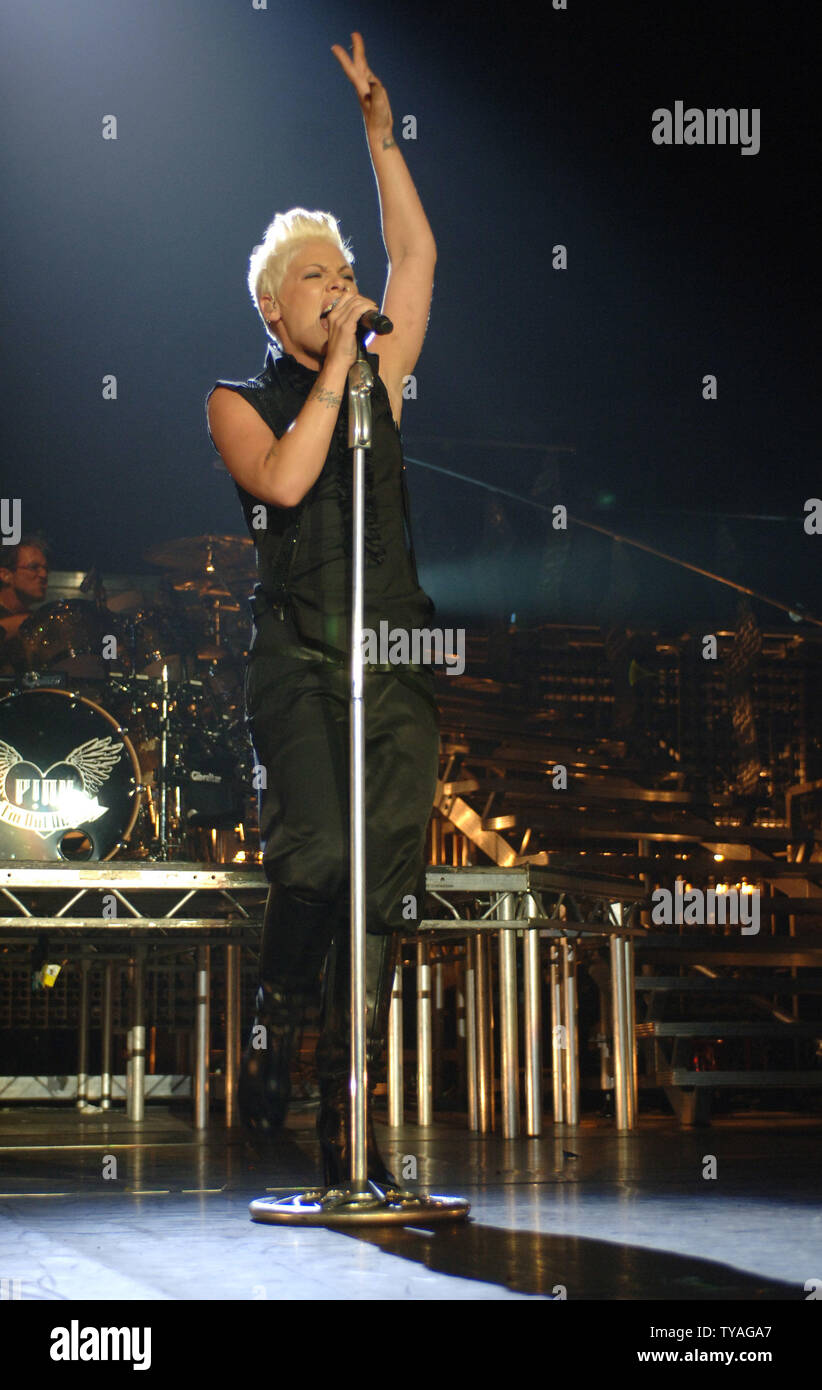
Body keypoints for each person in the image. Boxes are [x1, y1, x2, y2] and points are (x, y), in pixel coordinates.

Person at [206, 34, 439, 1186]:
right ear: (269, 302)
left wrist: (381, 141)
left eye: (341, 273)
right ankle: (275, 1020)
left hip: (390, 655)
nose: (341, 285)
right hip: (298, 661)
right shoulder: (238, 400)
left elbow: (418, 253)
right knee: (316, 858)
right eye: (315, 273)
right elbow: (288, 482)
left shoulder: (380, 380)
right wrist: (342, 367)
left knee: (386, 881)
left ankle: (354, 1119)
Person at [0, 533, 50, 672]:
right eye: (34, 567)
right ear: (5, 575)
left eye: (46, 569)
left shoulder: (36, 619)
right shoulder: (36, 620)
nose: (43, 575)